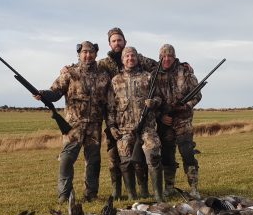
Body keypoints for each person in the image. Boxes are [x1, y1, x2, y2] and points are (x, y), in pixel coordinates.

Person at [34, 41, 112, 203]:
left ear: (96, 54)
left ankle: (91, 194)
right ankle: (64, 194)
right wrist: (43, 94)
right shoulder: (69, 73)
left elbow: (108, 102)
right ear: (79, 54)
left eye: (91, 52)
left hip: (94, 125)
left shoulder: (104, 76)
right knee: (67, 159)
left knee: (93, 161)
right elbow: (55, 93)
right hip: (73, 126)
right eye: (84, 52)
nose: (88, 55)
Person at [99, 27, 158, 200]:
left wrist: (181, 64)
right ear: (110, 44)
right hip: (120, 124)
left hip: (143, 123)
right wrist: (111, 125)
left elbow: (162, 64)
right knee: (117, 159)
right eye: (114, 41)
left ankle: (147, 191)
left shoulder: (143, 67)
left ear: (125, 41)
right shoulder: (105, 65)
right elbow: (110, 105)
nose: (117, 43)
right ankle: (119, 192)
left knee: (142, 158)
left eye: (120, 40)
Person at [155, 43, 202, 198]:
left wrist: (186, 106)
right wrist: (161, 116)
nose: (167, 59)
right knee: (167, 155)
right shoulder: (155, 75)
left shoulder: (185, 72)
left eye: (170, 56)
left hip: (183, 121)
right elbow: (152, 100)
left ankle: (194, 188)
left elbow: (197, 95)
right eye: (164, 56)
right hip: (166, 122)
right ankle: (169, 187)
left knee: (187, 153)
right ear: (160, 57)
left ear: (174, 57)